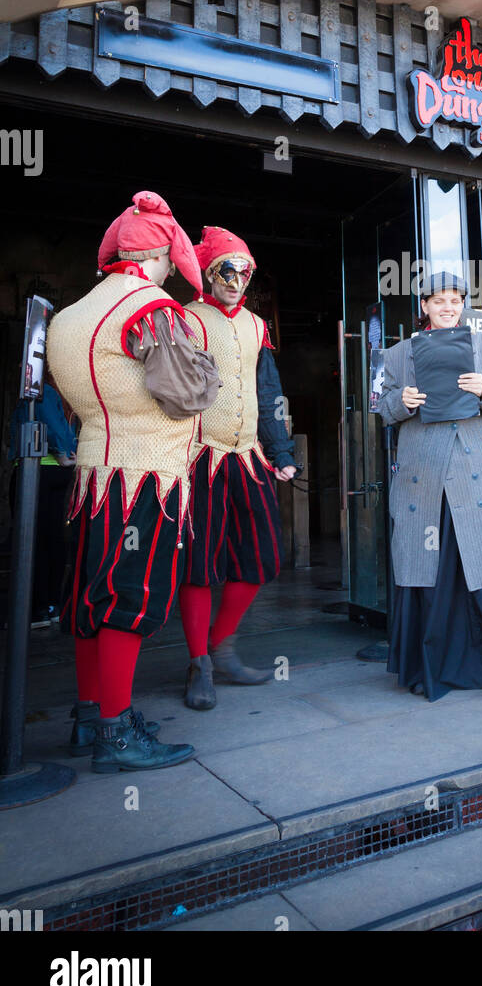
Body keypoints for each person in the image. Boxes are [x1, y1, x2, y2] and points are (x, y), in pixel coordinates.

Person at [46, 191, 220, 770]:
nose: (174, 267)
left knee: (88, 594)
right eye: (172, 257)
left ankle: (90, 716)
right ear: (160, 255)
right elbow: (188, 395)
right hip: (145, 476)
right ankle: (116, 735)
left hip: (93, 472)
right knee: (128, 593)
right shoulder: (154, 310)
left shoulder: (71, 315)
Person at [378, 271, 482, 701]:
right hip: (424, 481)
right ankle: (431, 672)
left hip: (477, 477)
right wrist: (401, 403)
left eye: (455, 300)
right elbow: (383, 409)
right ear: (424, 306)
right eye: (438, 301)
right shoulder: (398, 356)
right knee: (429, 572)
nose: (448, 307)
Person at [179, 226, 299, 710]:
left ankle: (220, 645)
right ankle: (198, 663)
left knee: (264, 555)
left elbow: (270, 394)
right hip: (198, 456)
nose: (236, 279)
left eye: (244, 271)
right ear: (209, 272)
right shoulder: (186, 319)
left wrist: (283, 452)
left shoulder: (255, 326)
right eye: (227, 270)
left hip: (248, 457)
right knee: (199, 564)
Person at [8, 373, 77, 626]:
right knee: (53, 540)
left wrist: (59, 452)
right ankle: (51, 605)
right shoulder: (66, 392)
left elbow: (49, 423)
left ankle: (37, 608)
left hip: (37, 469)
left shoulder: (42, 389)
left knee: (31, 540)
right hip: (56, 471)